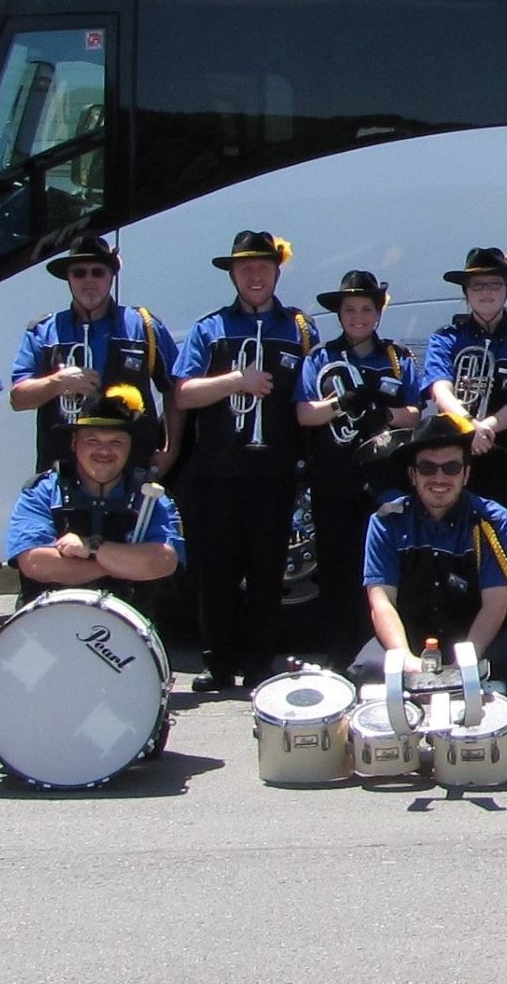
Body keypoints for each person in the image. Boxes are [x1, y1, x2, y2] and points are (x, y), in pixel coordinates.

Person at [168, 229, 312, 695]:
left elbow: (310, 394)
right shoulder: (209, 329)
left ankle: (260, 664)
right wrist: (236, 381)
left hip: (273, 471)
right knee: (216, 572)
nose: (254, 275)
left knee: (268, 572)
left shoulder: (300, 328)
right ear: (232, 274)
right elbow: (183, 392)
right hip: (217, 471)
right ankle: (219, 663)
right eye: (245, 267)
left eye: (263, 266)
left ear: (276, 271)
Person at [295, 270, 424, 667]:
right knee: (338, 571)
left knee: (384, 572)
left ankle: (383, 658)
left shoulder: (398, 358)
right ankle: (339, 658)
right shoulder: (320, 357)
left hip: (385, 479)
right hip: (334, 478)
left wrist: (385, 414)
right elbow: (304, 413)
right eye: (350, 310)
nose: (358, 317)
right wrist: (341, 404)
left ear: (378, 313)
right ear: (340, 315)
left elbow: (416, 413)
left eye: (366, 309)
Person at [354, 416, 507, 684]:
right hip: (409, 636)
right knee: (368, 668)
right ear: (413, 475)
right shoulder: (386, 521)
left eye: (451, 468)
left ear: (466, 474)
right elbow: (382, 603)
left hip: (479, 637)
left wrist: (464, 664)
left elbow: (495, 606)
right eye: (427, 468)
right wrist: (406, 660)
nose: (439, 478)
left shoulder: (495, 522)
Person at [6, 235, 179, 478]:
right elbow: (18, 399)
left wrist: (171, 449)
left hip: (132, 468)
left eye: (98, 272)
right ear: (68, 278)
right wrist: (58, 382)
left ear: (111, 276)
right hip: (62, 471)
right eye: (79, 273)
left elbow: (176, 389)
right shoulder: (43, 331)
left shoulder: (144, 326)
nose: (89, 280)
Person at [5, 386, 185, 596]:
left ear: (130, 446)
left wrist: (92, 547)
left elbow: (164, 561)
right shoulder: (41, 492)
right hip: (53, 615)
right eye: (92, 441)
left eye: (116, 442)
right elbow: (36, 563)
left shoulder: (152, 497)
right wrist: (120, 568)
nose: (104, 451)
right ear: (74, 443)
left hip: (130, 615)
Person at [423, 246, 507, 535]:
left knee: (506, 531)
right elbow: (440, 389)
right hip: (460, 444)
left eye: (495, 284)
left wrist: (486, 429)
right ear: (466, 293)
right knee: (457, 532)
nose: (486, 292)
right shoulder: (446, 337)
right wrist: (469, 426)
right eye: (477, 285)